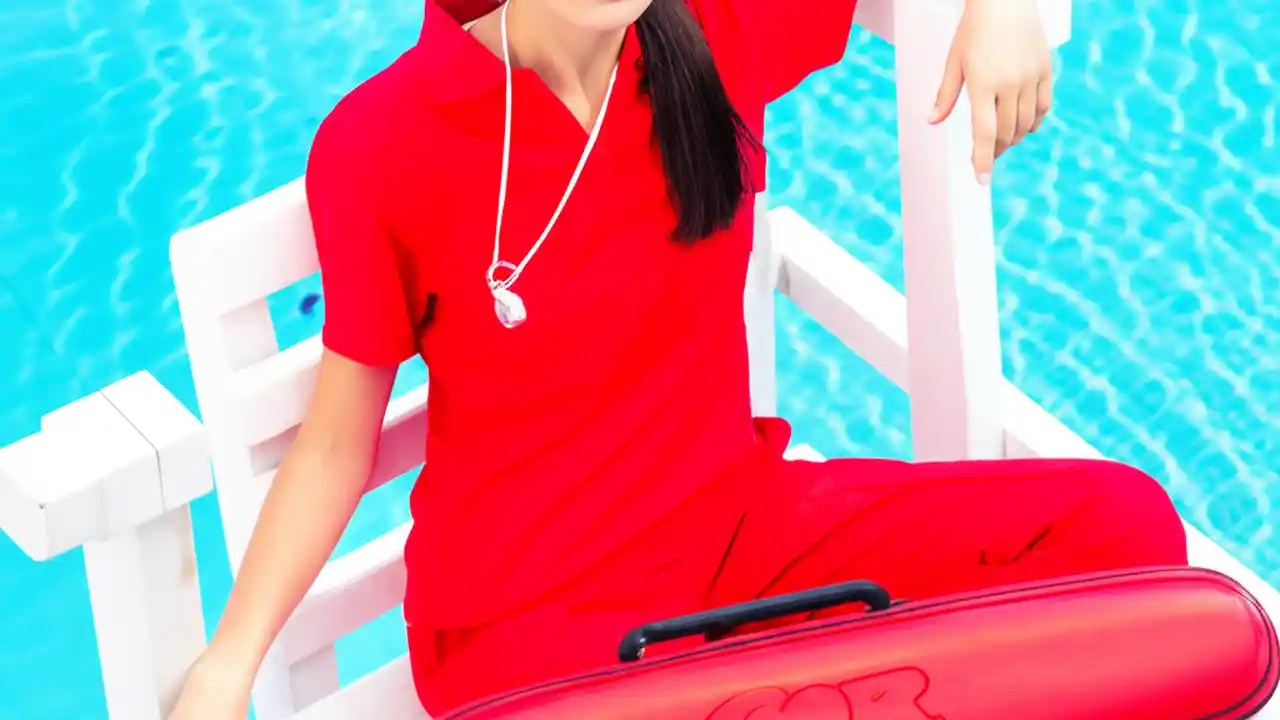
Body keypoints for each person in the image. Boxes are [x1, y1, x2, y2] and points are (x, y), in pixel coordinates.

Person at [170, 0, 1189, 717]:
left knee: (1123, 529)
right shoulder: (381, 145)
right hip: (527, 618)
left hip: (743, 533)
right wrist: (229, 662)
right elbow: (335, 446)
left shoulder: (711, 31)